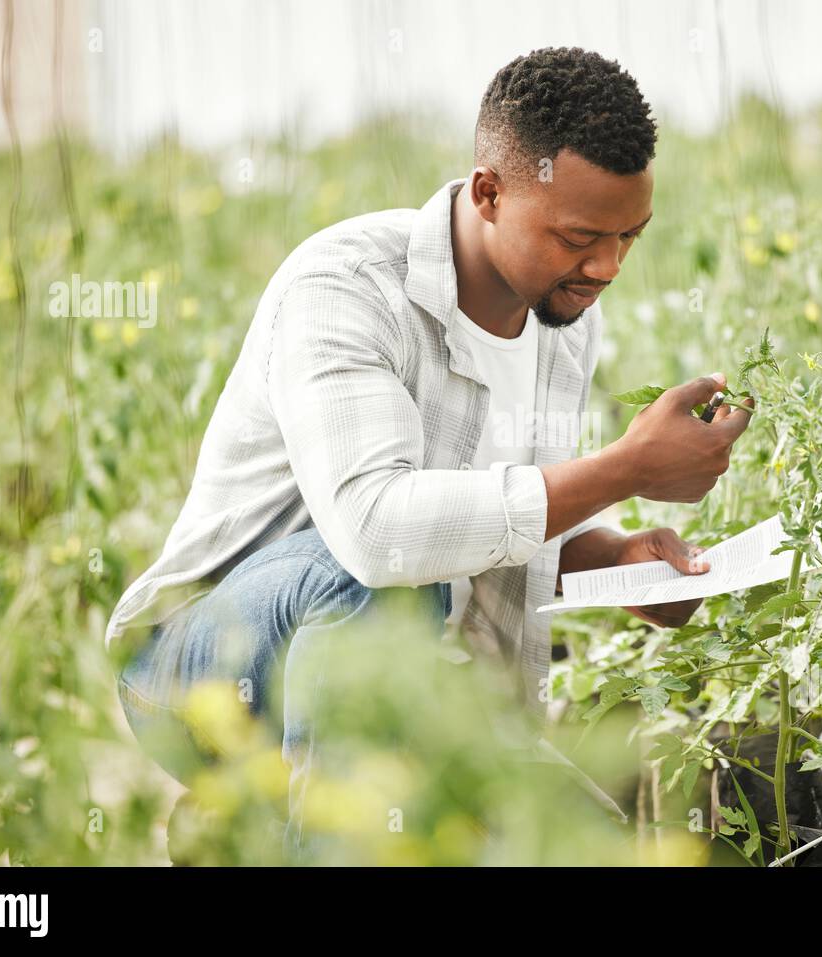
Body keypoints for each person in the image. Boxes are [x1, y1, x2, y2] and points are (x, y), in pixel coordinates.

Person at [105, 46, 754, 857]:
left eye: (630, 236)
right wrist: (627, 467)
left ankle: (252, 828)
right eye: (581, 236)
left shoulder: (564, 317)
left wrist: (616, 557)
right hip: (201, 675)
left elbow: (499, 527)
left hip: (405, 684)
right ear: (488, 191)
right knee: (370, 581)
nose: (607, 266)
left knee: (585, 841)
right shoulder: (344, 287)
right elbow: (380, 536)